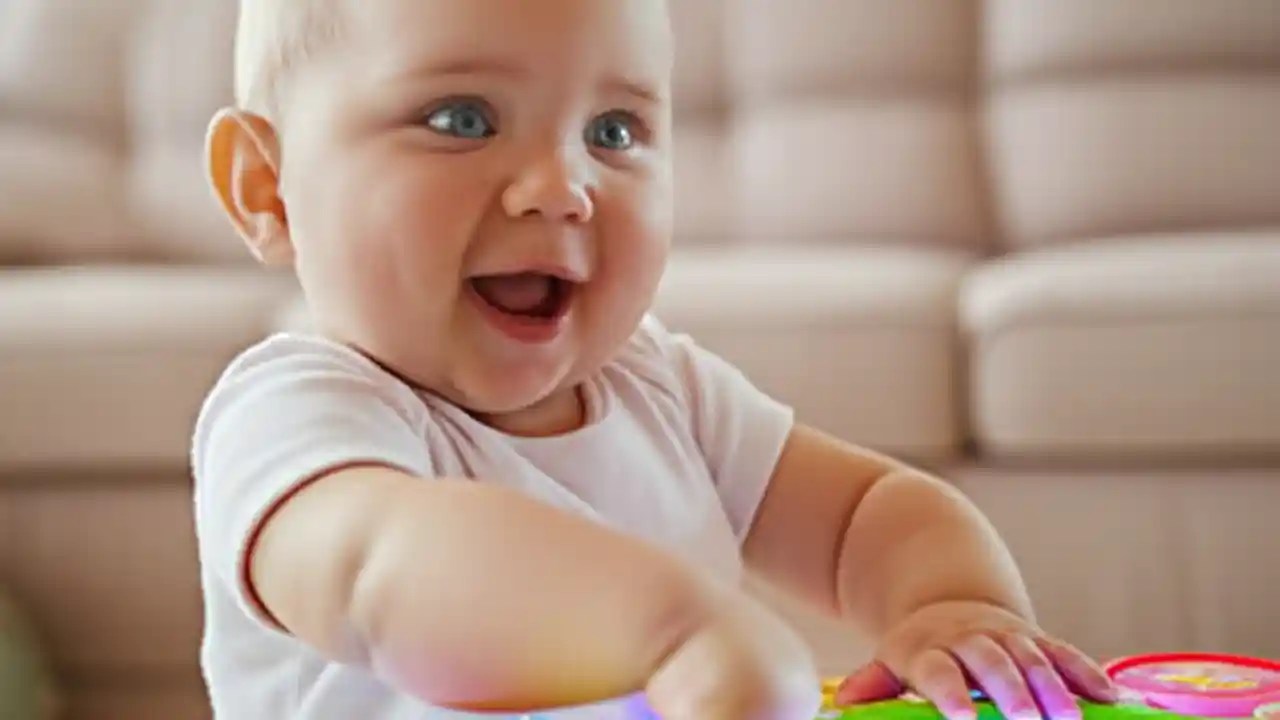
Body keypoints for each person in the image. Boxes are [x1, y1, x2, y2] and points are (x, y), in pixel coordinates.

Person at [193, 1, 1119, 719]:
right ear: (268, 189)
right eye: (463, 118)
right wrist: (672, 634)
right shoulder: (299, 415)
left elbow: (868, 516)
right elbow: (377, 571)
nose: (563, 189)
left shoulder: (660, 388)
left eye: (614, 132)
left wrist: (948, 607)